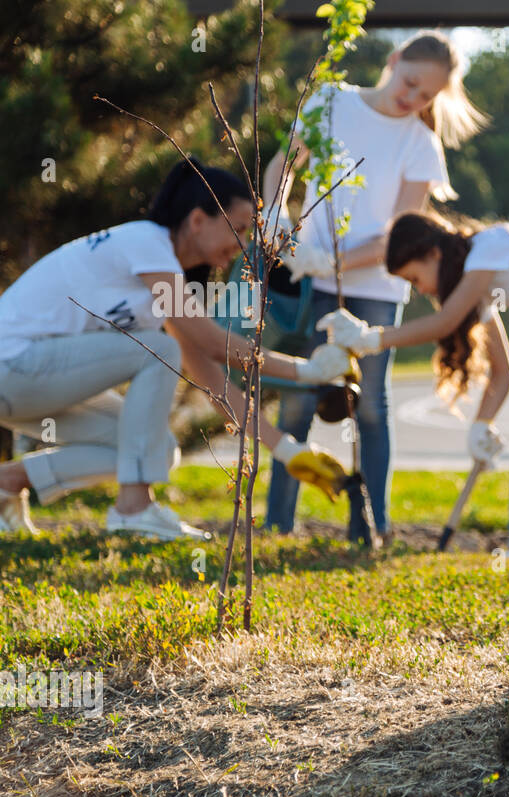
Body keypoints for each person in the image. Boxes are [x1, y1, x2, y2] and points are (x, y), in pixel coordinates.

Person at [0, 158, 355, 539]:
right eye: (237, 229)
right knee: (159, 350)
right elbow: (213, 343)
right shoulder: (146, 242)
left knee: (160, 449)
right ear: (198, 220)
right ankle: (133, 510)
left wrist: (285, 449)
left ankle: (9, 481)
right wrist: (308, 370)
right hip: (14, 368)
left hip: (31, 384)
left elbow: (211, 379)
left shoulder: (163, 278)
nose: (243, 244)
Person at [262, 29, 488, 545]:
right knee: (299, 397)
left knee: (369, 405)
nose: (413, 98)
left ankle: (372, 527)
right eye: (410, 83)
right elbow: (284, 162)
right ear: (393, 61)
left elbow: (400, 235)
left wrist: (332, 259)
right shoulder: (330, 101)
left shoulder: (420, 144)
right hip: (306, 277)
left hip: (377, 290)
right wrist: (275, 211)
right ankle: (277, 524)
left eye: (427, 95)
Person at [323, 209, 509, 559]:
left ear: (433, 254)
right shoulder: (477, 281)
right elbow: (502, 370)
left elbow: (445, 323)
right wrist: (481, 424)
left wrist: (370, 338)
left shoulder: (488, 249)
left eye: (416, 279)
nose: (423, 289)